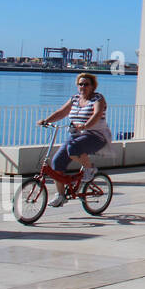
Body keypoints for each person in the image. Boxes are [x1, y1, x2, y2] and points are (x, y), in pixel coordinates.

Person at [36, 73, 113, 207]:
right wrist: (46, 120)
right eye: (80, 84)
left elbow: (97, 114)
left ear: (93, 86)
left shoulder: (98, 98)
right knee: (57, 162)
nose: (83, 86)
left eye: (86, 84)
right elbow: (61, 112)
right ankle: (61, 196)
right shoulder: (75, 99)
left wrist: (86, 125)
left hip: (96, 136)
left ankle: (90, 169)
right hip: (77, 136)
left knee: (73, 148)